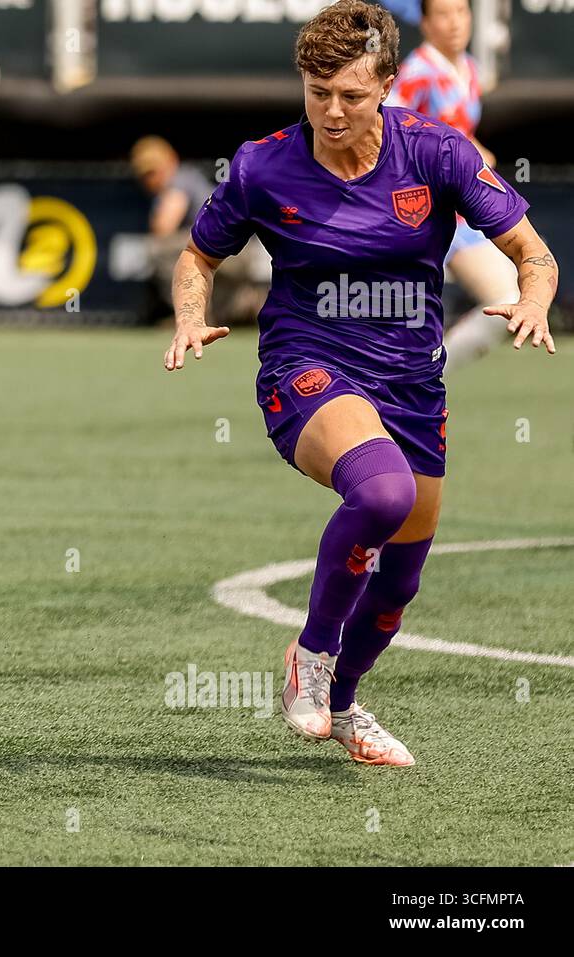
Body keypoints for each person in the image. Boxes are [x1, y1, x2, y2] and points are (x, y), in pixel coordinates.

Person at [164, 1, 557, 765]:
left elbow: (531, 252)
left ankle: (344, 703)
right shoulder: (262, 164)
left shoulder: (435, 151)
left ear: (384, 85)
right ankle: (309, 659)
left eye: (350, 94)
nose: (332, 111)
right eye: (317, 93)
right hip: (306, 366)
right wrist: (189, 313)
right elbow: (197, 258)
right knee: (382, 494)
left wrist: (535, 296)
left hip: (412, 381)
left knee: (400, 582)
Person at [388, 0, 516, 373]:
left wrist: (473, 149)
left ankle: (426, 377)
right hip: (420, 214)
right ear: (425, 23)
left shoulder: (470, 70)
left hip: (459, 213)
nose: (455, 23)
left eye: (461, 12)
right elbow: (387, 130)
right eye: (443, 14)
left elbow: (457, 131)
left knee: (509, 300)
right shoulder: (416, 73)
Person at [133, 135, 266, 324]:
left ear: (171, 160)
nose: (150, 179)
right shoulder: (188, 178)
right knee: (194, 258)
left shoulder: (180, 179)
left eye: (154, 171)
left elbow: (163, 228)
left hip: (235, 253)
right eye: (145, 174)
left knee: (159, 249)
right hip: (240, 252)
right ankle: (251, 305)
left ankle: (192, 318)